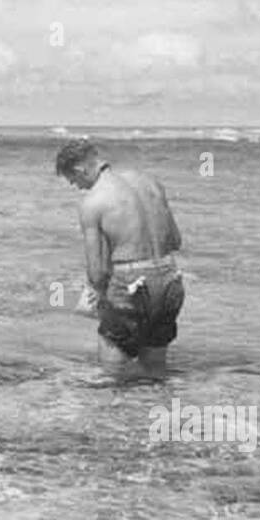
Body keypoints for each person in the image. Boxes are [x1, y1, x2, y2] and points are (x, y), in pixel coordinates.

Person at [55, 138, 184, 378]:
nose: (77, 186)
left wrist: (100, 301)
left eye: (73, 180)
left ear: (79, 169)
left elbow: (97, 273)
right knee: (155, 370)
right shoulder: (150, 182)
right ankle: (156, 410)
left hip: (130, 282)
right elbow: (175, 241)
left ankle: (116, 413)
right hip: (170, 278)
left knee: (110, 374)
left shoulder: (93, 202)